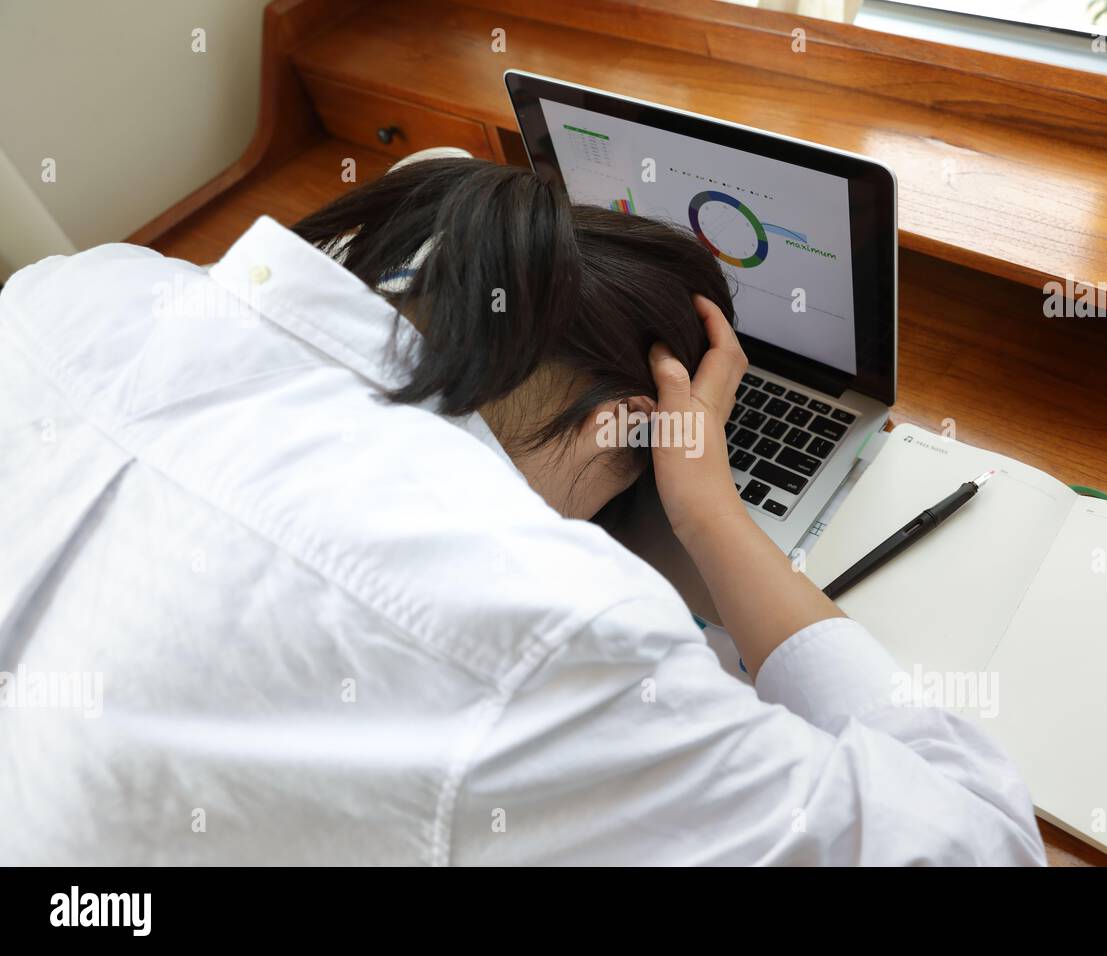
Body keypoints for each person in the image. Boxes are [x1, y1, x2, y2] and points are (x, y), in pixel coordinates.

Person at [0, 154, 1045, 865]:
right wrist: (714, 512)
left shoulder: (78, 290)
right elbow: (980, 843)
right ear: (623, 431)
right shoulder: (543, 629)